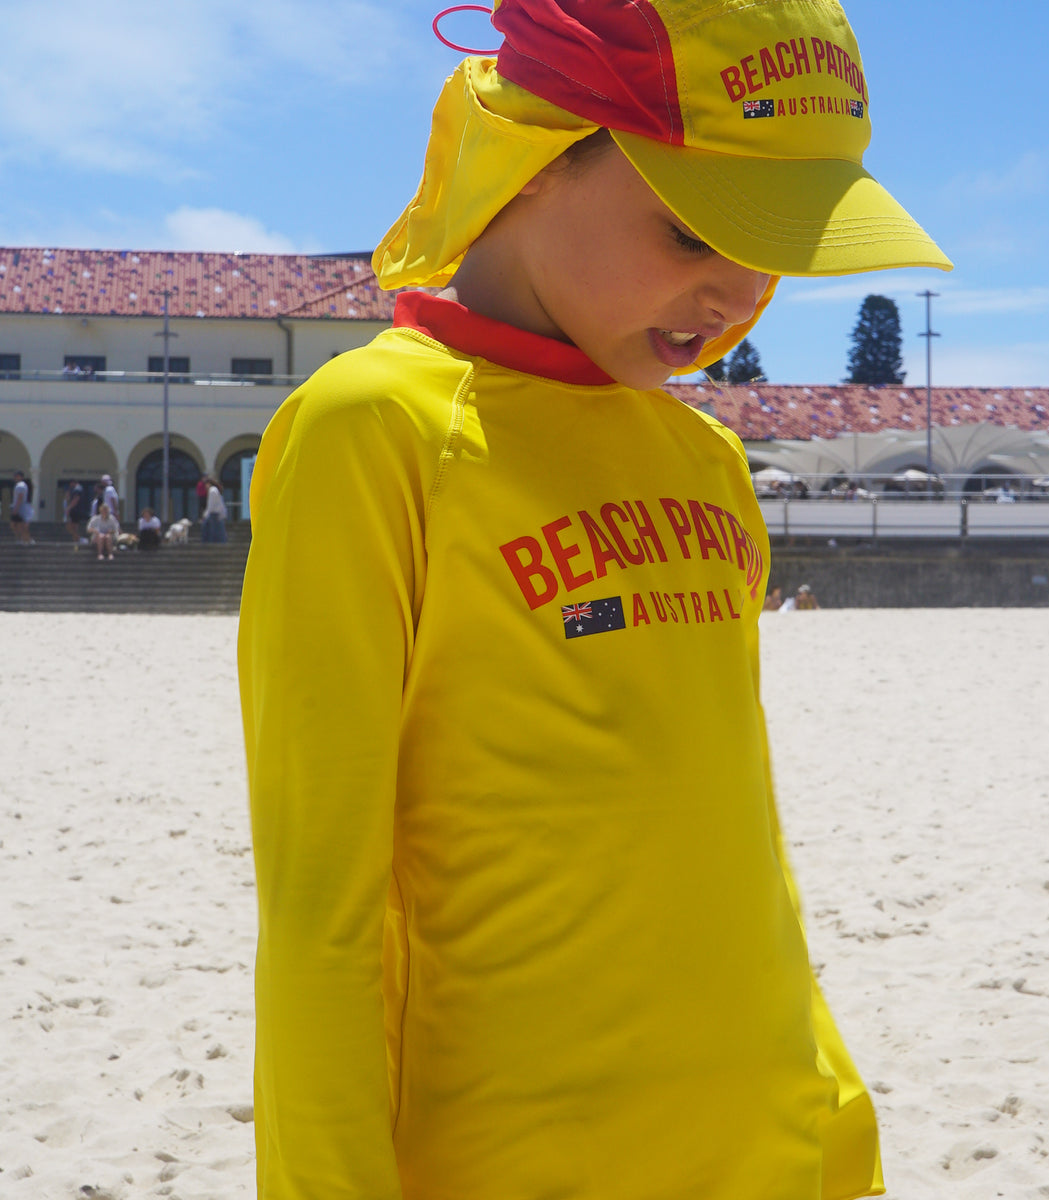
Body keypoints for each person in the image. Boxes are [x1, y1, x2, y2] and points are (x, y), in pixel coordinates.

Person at [238, 3, 950, 1197]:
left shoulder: (708, 464)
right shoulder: (380, 431)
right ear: (529, 160)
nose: (738, 296)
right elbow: (321, 905)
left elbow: (735, 841)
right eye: (691, 232)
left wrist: (832, 1115)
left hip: (761, 1142)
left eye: (775, 245)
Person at [8, 469, 34, 544]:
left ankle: (27, 539)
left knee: (20, 526)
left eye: (17, 476)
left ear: (20, 477)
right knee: (15, 525)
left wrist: (16, 509)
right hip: (20, 507)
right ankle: (22, 539)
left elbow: (20, 497)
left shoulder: (21, 486)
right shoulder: (20, 485)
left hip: (21, 508)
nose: (15, 477)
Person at [201, 477, 228, 543]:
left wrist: (205, 515)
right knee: (218, 530)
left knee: (211, 529)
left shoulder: (212, 491)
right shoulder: (215, 490)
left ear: (209, 484)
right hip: (217, 513)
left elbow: (211, 504)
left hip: (214, 513)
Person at [64, 479, 87, 550]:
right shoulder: (78, 489)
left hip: (75, 511)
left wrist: (69, 508)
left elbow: (76, 499)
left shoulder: (77, 489)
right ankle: (77, 541)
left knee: (70, 526)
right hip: (76, 511)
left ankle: (80, 539)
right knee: (74, 527)